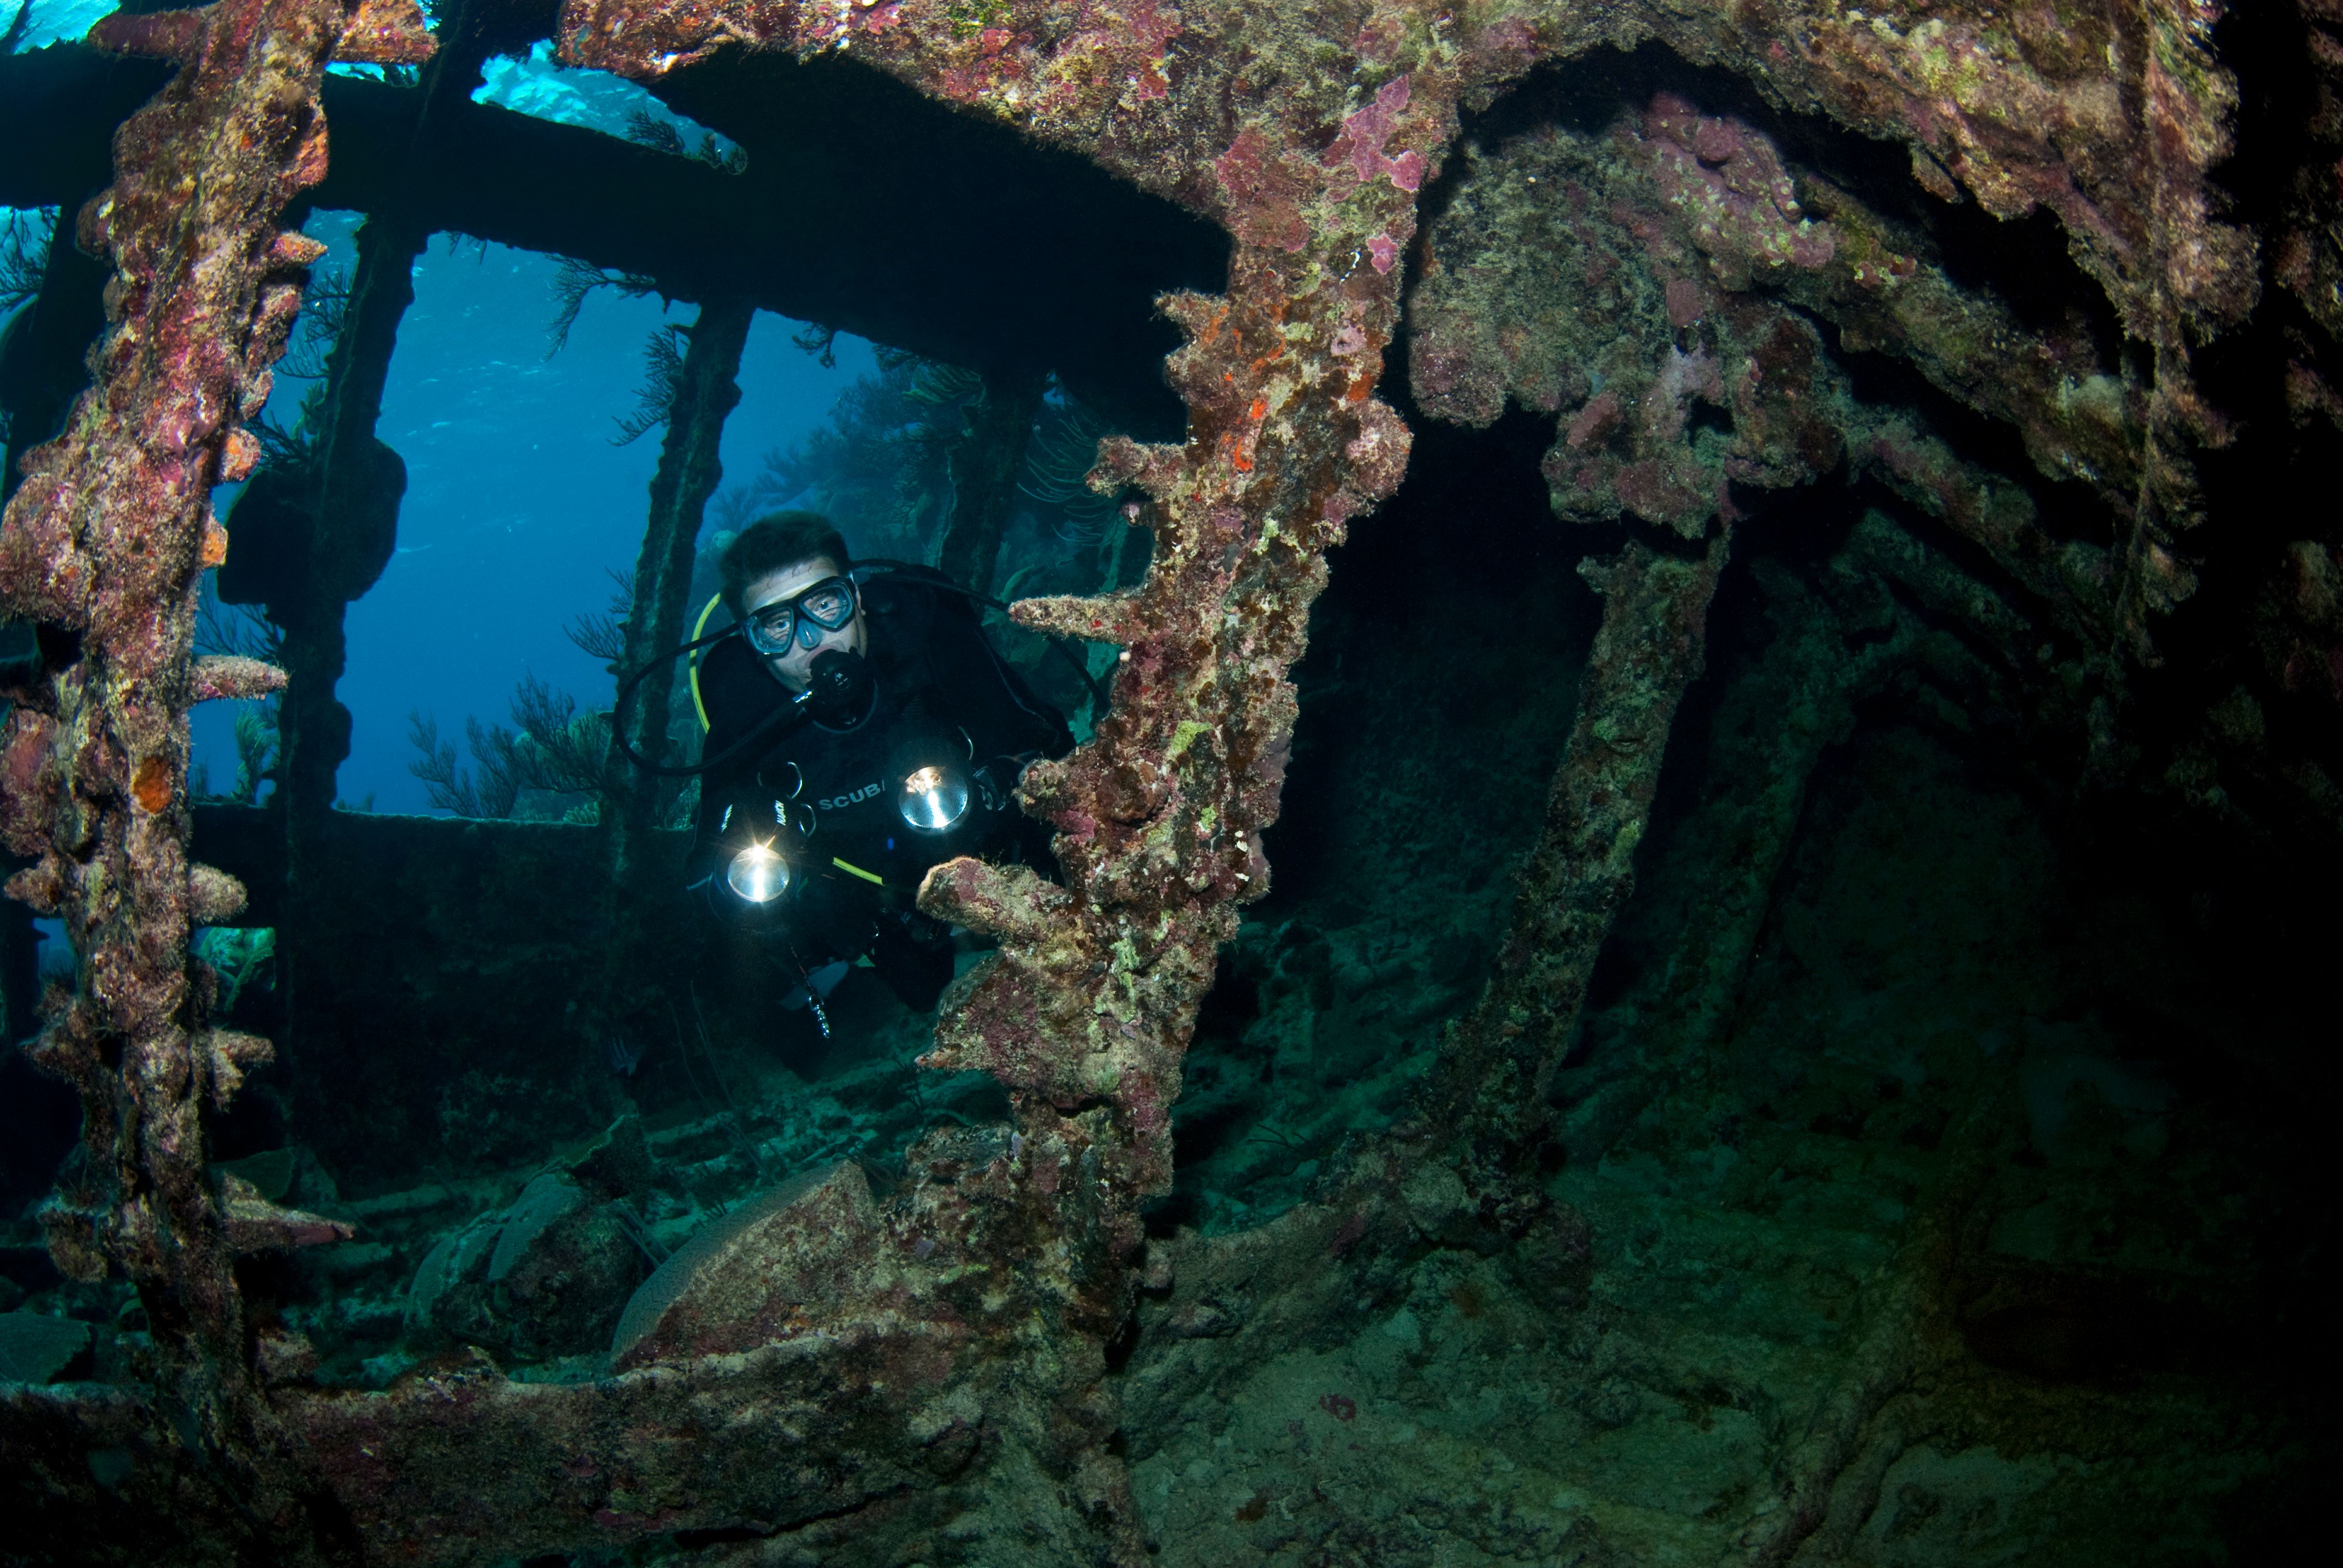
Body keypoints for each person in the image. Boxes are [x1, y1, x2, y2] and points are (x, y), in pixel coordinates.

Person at [686, 512, 1072, 1020]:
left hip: (1004, 850)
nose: (812, 640)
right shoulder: (743, 714)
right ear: (753, 644)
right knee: (924, 992)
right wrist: (766, 869)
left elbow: (1045, 742)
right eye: (778, 625)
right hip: (883, 904)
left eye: (826, 604)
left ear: (857, 596)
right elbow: (709, 883)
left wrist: (996, 782)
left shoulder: (926, 637)